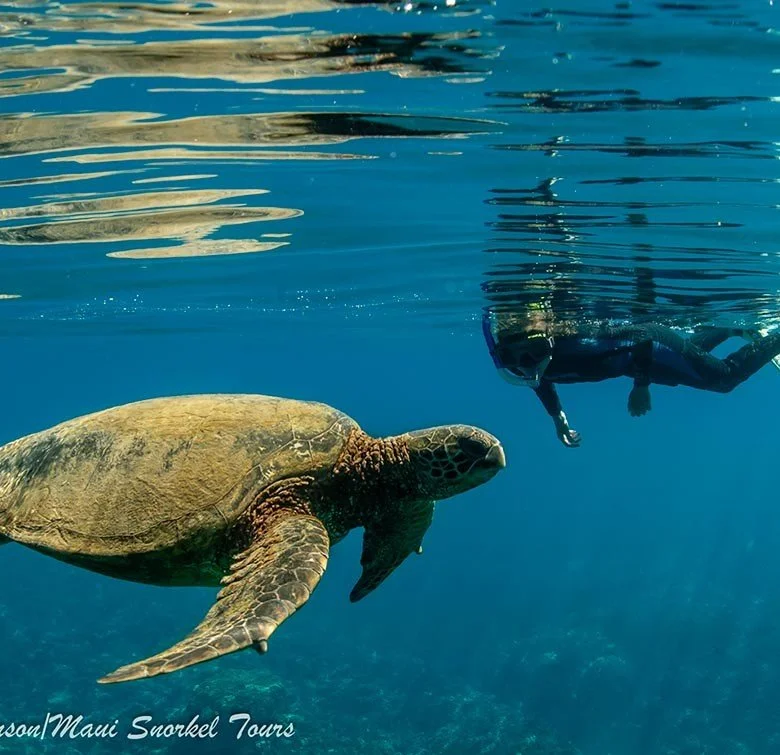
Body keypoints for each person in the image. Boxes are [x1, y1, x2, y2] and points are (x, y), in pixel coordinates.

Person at [483, 309, 780, 447]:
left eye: (535, 352)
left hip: (650, 345)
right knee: (689, 364)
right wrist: (558, 419)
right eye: (513, 359)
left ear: (547, 342)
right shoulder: (527, 367)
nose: (527, 365)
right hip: (638, 361)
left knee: (722, 380)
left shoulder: (577, 347)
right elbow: (539, 380)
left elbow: (642, 337)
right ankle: (732, 328)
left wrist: (641, 386)